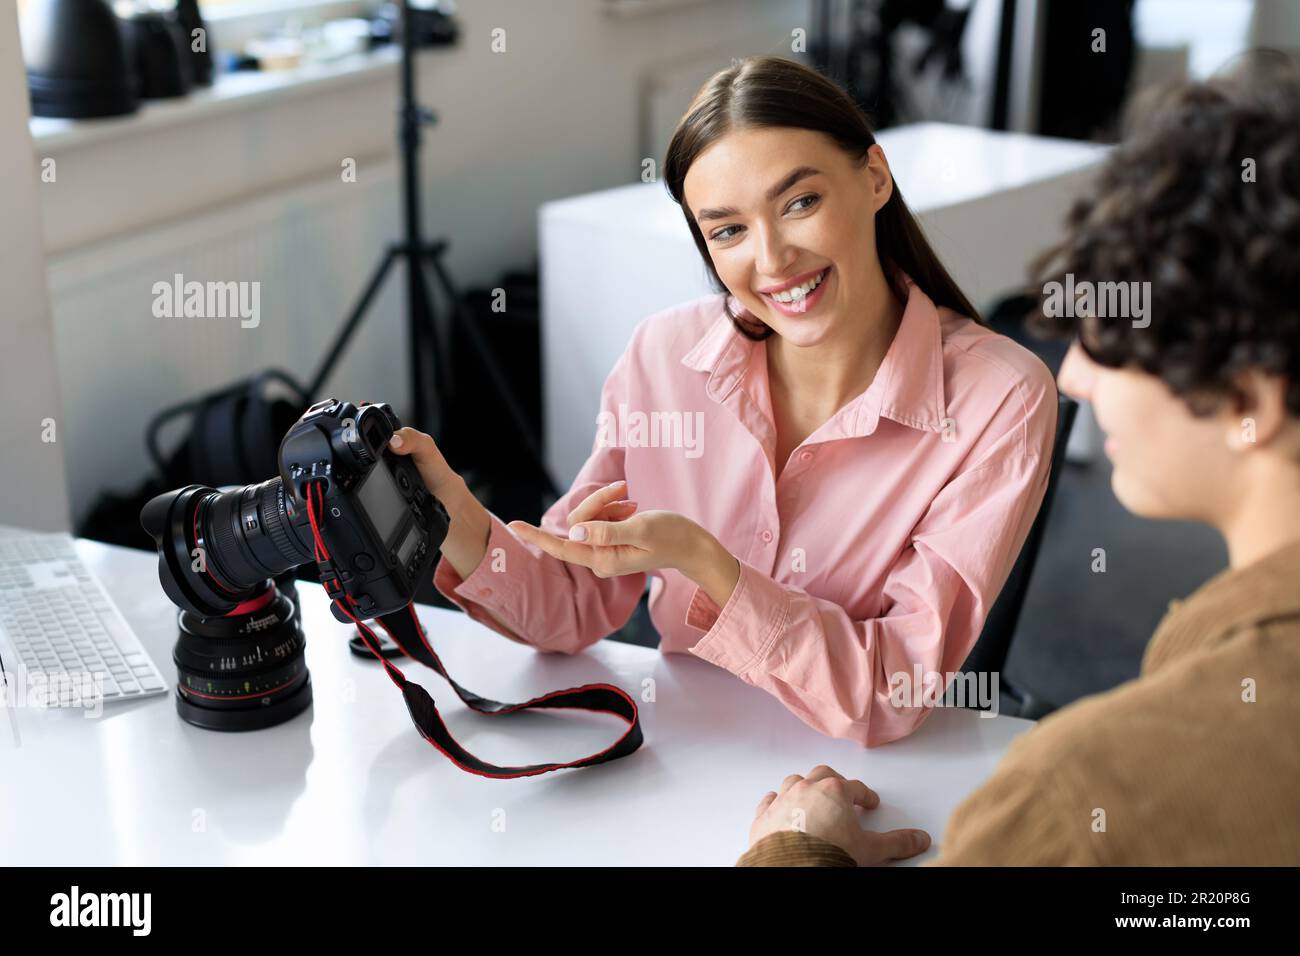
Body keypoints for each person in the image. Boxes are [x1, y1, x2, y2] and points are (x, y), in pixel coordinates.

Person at [390, 55, 1056, 747]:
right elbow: (570, 606)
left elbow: (894, 690)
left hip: (866, 778)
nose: (772, 260)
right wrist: (450, 510)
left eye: (800, 202)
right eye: (729, 230)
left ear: (874, 177)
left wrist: (711, 566)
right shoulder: (663, 355)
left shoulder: (999, 395)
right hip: (688, 758)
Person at [737, 53, 1300, 866]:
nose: (1073, 372)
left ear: (1249, 400)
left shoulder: (1079, 805)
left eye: (1112, 336)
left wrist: (796, 853)